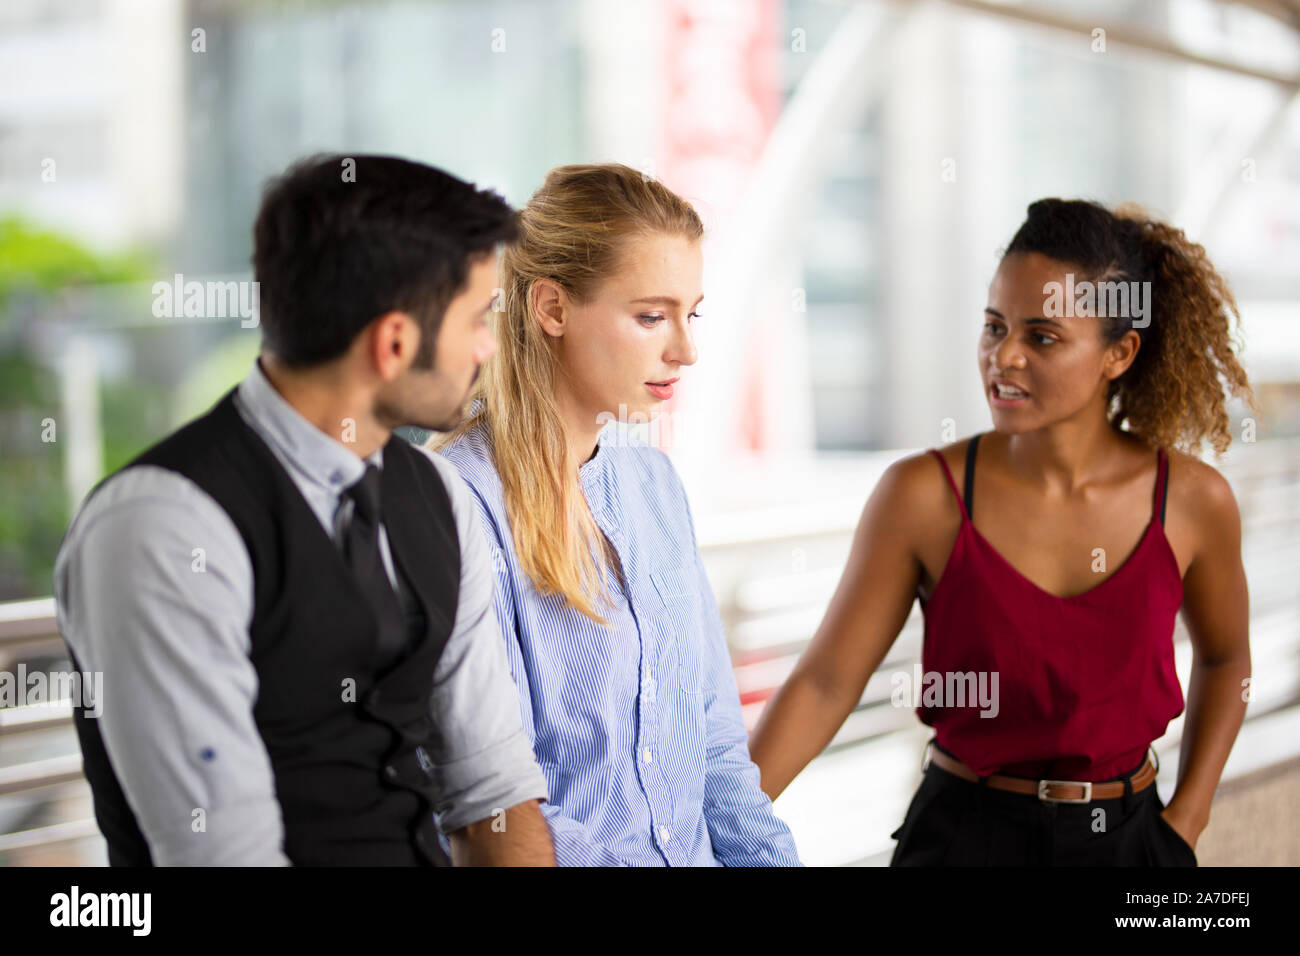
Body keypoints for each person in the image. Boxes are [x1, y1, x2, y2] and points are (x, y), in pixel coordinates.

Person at [52, 154, 555, 866]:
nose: (489, 347)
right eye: (478, 319)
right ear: (393, 343)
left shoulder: (439, 498)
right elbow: (225, 855)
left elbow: (493, 793)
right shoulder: (161, 528)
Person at [749, 198, 1254, 866]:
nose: (1003, 357)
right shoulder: (921, 495)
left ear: (1119, 353)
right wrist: (703, 835)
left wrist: (1185, 822)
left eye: (1041, 337)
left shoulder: (1193, 501)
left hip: (1131, 843)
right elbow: (825, 684)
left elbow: (1226, 661)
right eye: (994, 327)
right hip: (962, 837)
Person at [434, 163, 801, 866]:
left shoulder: (655, 485)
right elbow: (500, 807)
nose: (685, 350)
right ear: (552, 308)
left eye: (689, 315)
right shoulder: (460, 501)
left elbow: (716, 748)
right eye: (650, 317)